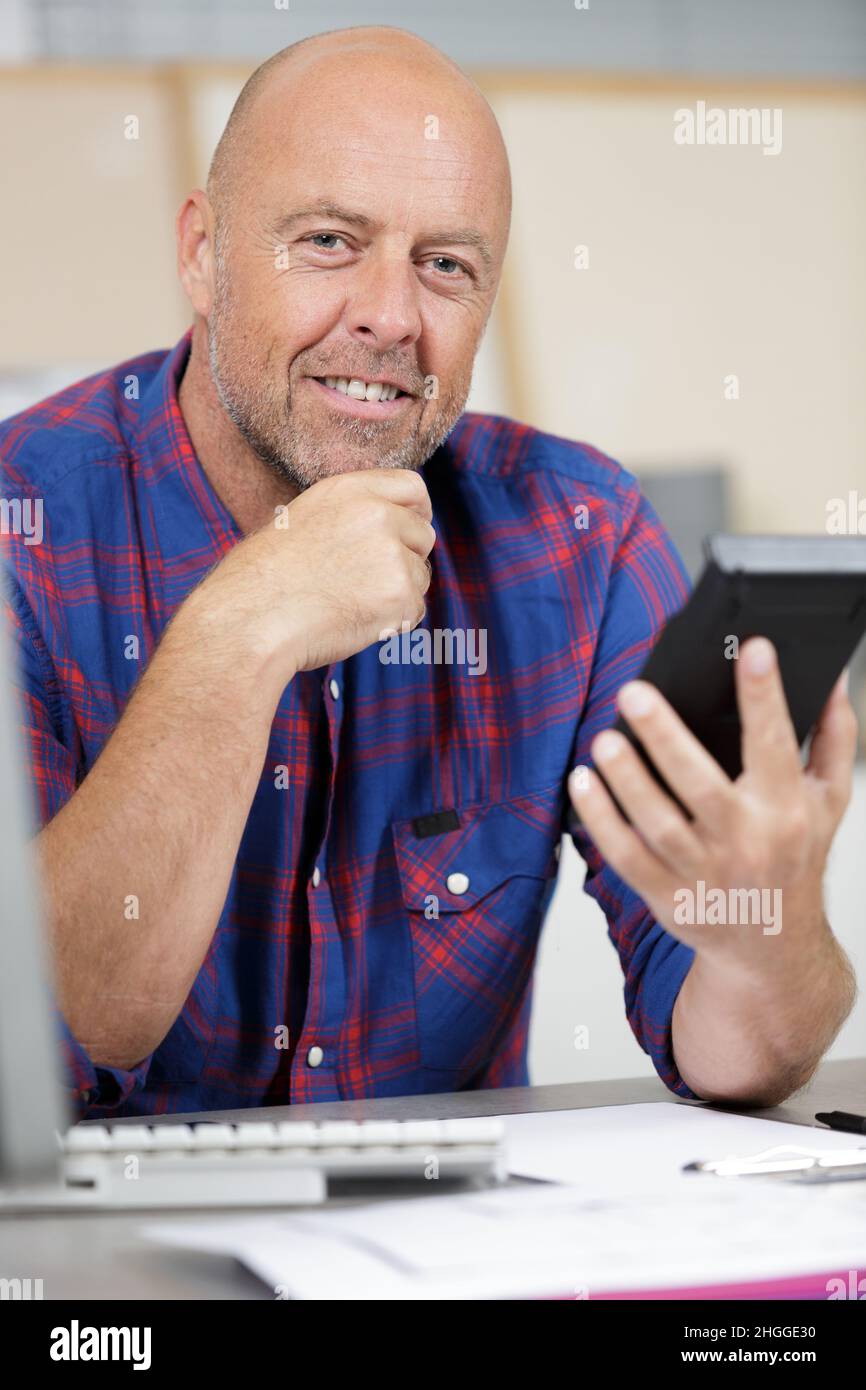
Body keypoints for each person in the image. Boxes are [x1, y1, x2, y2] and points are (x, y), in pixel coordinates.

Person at [0, 26, 855, 1119]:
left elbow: (726, 1046)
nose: (391, 317)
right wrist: (242, 629)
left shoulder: (575, 538)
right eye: (325, 241)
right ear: (203, 253)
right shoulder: (24, 527)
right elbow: (49, 1037)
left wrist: (766, 933)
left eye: (444, 265)